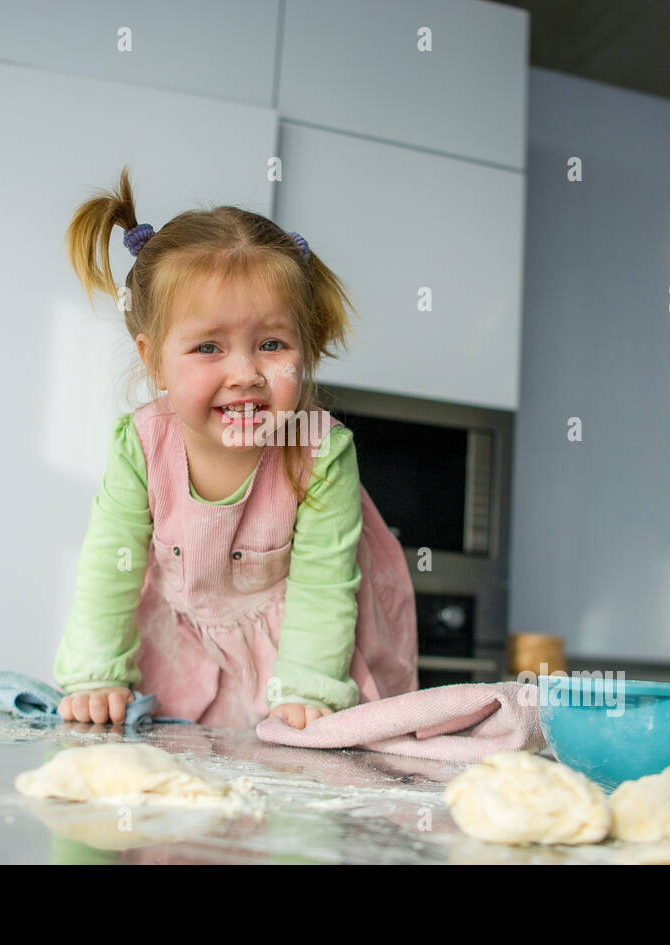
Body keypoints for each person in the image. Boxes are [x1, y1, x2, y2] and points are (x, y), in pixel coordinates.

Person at [53, 167, 417, 729]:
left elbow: (324, 583)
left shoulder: (319, 452)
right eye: (208, 347)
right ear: (154, 362)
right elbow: (110, 564)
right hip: (184, 644)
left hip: (307, 644)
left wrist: (307, 689)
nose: (245, 373)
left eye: (272, 344)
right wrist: (96, 673)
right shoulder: (142, 446)